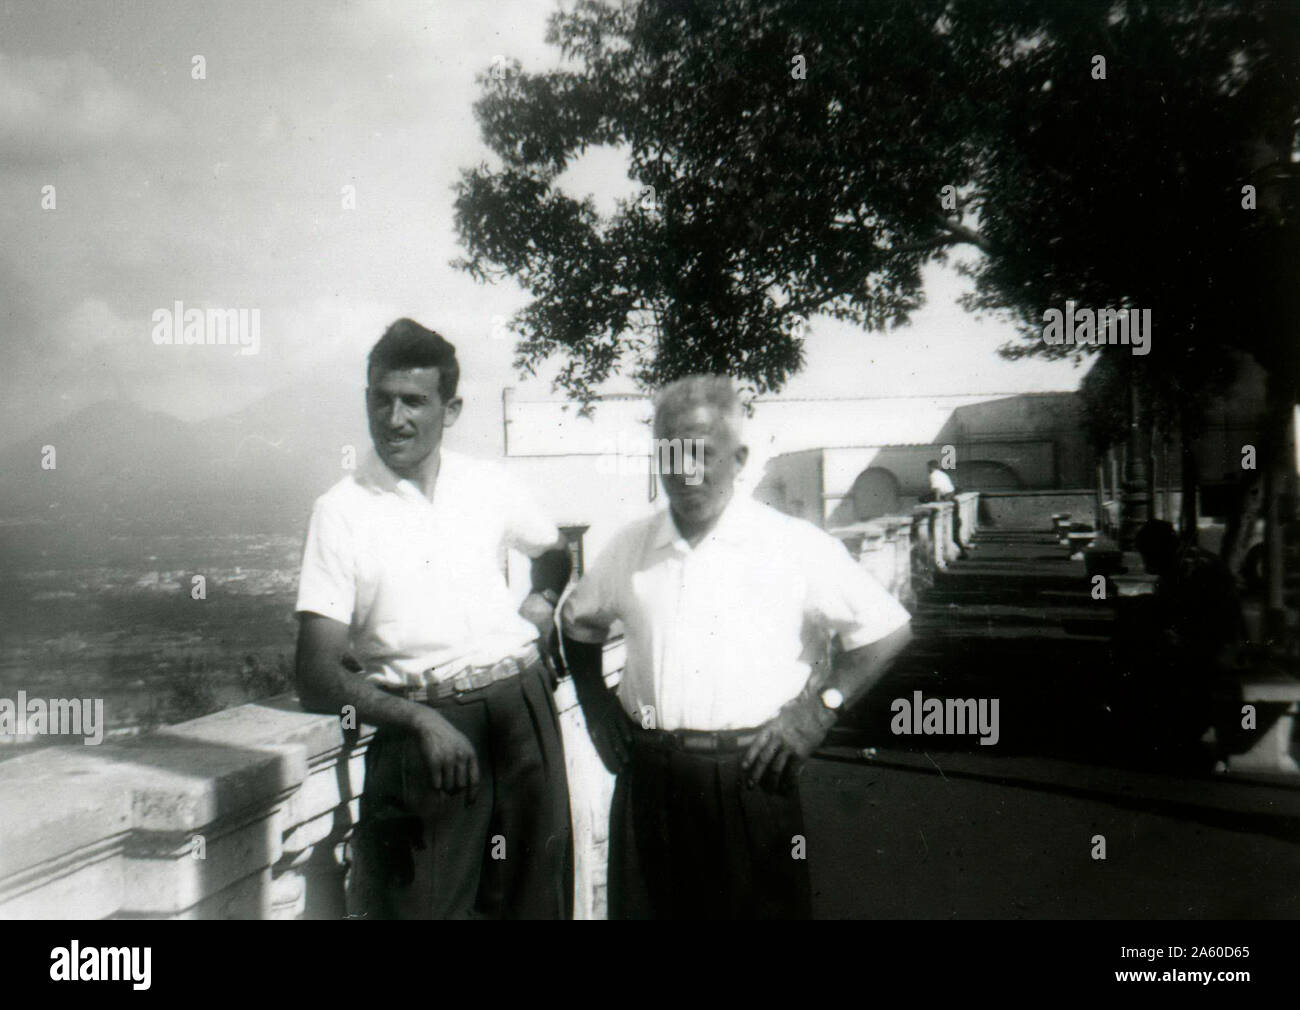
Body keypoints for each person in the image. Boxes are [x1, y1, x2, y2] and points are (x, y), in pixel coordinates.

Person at [559, 375, 913, 919]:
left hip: (750, 779)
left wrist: (820, 712)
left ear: (739, 456)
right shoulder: (630, 547)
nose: (686, 470)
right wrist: (596, 705)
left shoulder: (789, 545)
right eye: (671, 452)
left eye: (702, 451)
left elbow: (885, 630)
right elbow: (579, 623)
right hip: (649, 782)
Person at [293, 318, 574, 919]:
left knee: (536, 906)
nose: (394, 419)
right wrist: (418, 719)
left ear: (450, 410)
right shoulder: (340, 512)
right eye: (381, 399)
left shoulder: (488, 484)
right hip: (431, 737)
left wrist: (542, 604)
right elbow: (315, 675)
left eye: (414, 402)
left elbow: (553, 551)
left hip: (523, 715)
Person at [924, 459, 967, 558]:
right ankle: (962, 552)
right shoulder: (942, 474)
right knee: (954, 527)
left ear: (931, 467)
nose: (927, 470)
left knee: (951, 528)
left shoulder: (934, 475)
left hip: (948, 499)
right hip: (953, 500)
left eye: (928, 468)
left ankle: (962, 553)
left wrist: (937, 501)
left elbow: (937, 489)